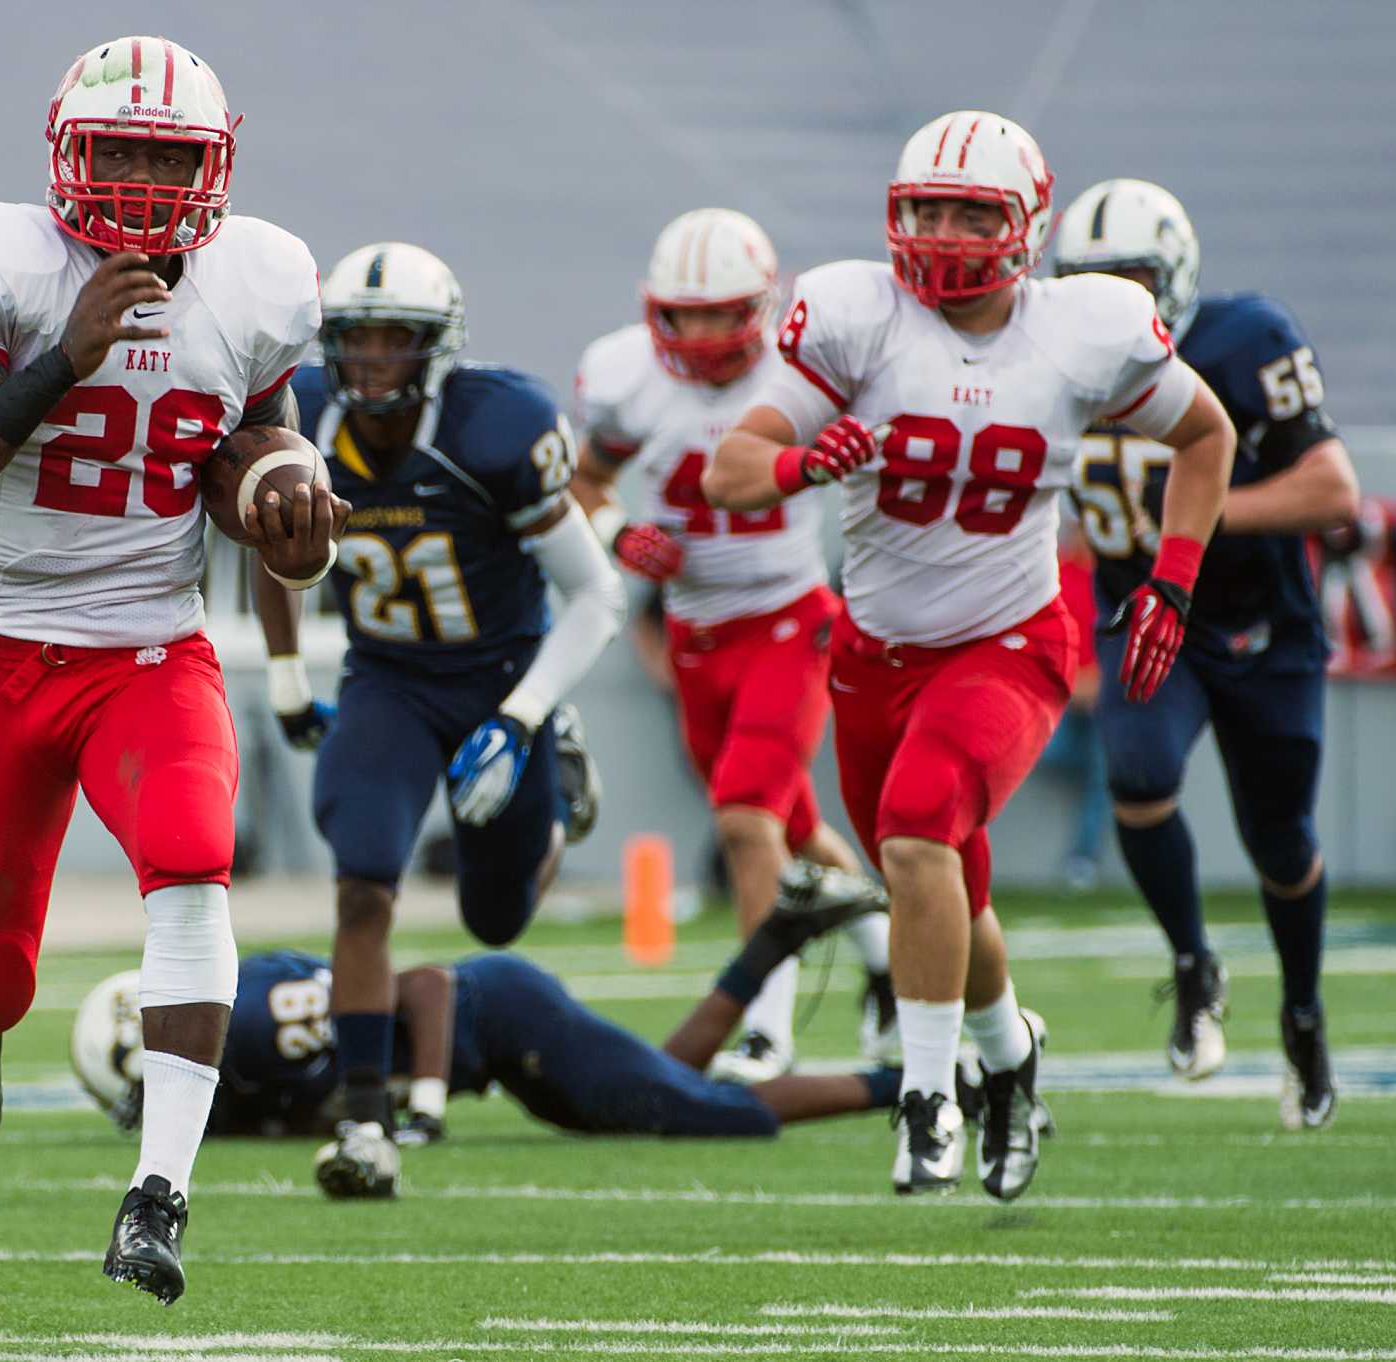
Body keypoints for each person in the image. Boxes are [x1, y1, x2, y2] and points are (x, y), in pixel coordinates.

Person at [706, 112, 1236, 1198]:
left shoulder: (1082, 328)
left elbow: (1205, 436)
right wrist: (807, 463)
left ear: (1026, 226)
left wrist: (1170, 579)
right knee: (940, 883)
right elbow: (731, 471)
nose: (943, 233)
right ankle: (1009, 1056)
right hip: (872, 654)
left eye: (969, 213)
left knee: (910, 834)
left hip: (1008, 644)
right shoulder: (859, 317)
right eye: (926, 210)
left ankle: (924, 1099)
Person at [0, 34, 341, 1306]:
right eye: (124, 152)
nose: (145, 181)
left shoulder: (256, 280)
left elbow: (255, 442)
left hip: (150, 644)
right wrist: (62, 359)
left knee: (193, 864)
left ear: (216, 164)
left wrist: (286, 501)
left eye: (170, 156)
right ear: (69, 157)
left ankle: (158, 1196)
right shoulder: (7, 264)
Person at [253, 241, 626, 1199]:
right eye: (355, 339)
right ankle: (368, 1119)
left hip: (499, 677)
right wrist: (290, 674)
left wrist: (520, 716)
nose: (372, 360)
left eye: (395, 340)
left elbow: (595, 597)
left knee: (493, 920)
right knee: (363, 878)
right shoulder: (302, 413)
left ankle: (552, 790)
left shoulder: (496, 428)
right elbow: (275, 539)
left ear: (438, 348)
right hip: (389, 682)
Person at [1053, 178, 1359, 1129]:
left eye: (1130, 279)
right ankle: (1193, 962)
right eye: (1088, 282)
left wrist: (1196, 515)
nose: (1111, 300)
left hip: (1263, 629)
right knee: (1137, 776)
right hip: (1150, 620)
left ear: (1174, 276)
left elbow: (1333, 491)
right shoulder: (1048, 361)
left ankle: (1303, 1014)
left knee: (1281, 843)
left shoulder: (1244, 338)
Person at [570, 208, 894, 1081]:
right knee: (786, 822)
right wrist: (620, 534)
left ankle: (765, 1021)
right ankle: (887, 950)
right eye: (687, 315)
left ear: (761, 307)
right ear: (656, 313)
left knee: (747, 817)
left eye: (723, 314)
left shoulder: (803, 371)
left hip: (788, 617)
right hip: (692, 630)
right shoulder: (626, 377)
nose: (706, 335)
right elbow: (585, 482)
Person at [205, 863, 910, 1142]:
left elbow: (427, 985)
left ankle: (917, 1085)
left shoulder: (252, 1039)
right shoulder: (249, 987)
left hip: (509, 1020)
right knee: (662, 1083)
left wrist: (425, 1106)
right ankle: (781, 932)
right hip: (507, 1039)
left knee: (710, 1112)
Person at [1037, 522, 1112, 890]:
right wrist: (1071, 683)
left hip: (1104, 695)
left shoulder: (1110, 577)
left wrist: (1100, 681)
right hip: (1063, 693)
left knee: (1103, 775)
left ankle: (1083, 858)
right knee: (1047, 752)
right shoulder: (1053, 571)